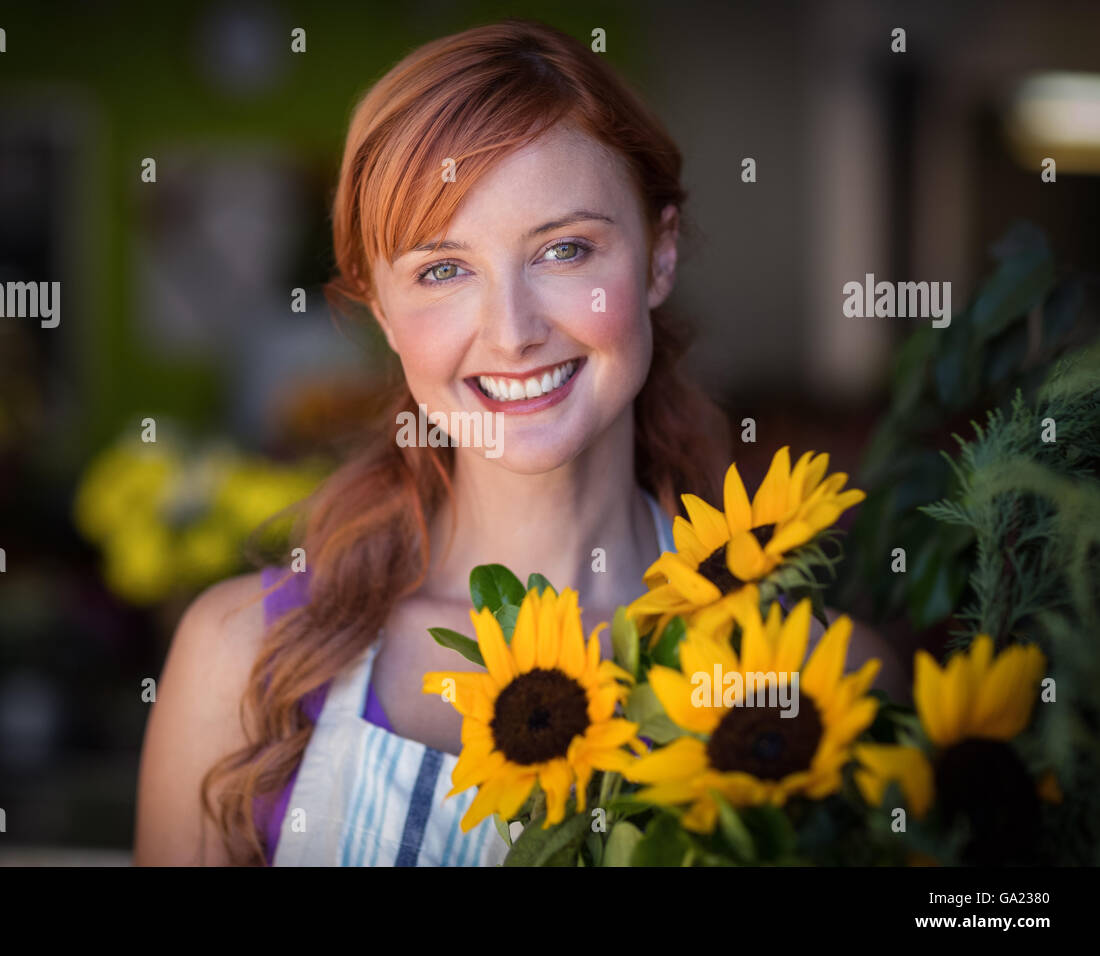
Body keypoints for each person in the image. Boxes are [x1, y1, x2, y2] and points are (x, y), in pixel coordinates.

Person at [134, 18, 905, 867]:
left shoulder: (818, 683)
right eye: (441, 270)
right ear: (381, 312)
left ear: (660, 255)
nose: (512, 332)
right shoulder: (244, 663)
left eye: (565, 250)